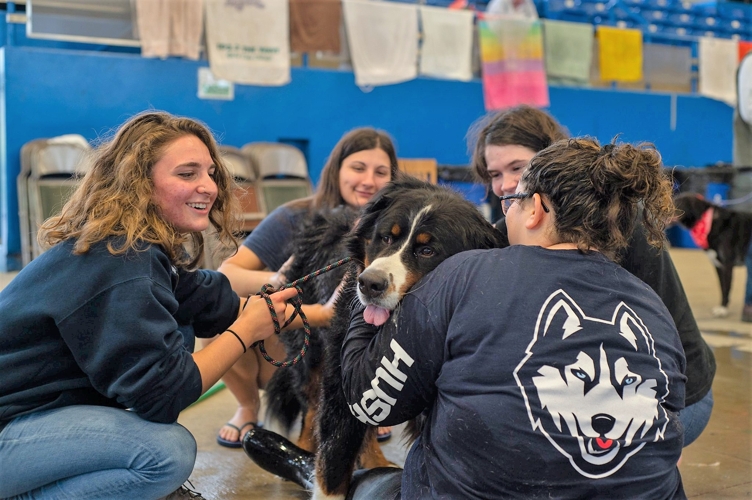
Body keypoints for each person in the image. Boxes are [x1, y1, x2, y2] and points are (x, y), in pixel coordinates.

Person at [341, 137, 687, 498]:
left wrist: (362, 276)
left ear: (535, 209)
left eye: (511, 203)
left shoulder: (463, 275)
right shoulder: (652, 306)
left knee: (371, 484)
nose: (506, 215)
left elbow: (370, 405)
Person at [0, 111, 298, 500]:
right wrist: (247, 330)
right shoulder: (120, 262)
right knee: (164, 453)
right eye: (187, 174)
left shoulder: (134, 245)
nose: (208, 186)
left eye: (210, 172)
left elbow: (203, 297)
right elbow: (164, 394)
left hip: (31, 416)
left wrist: (318, 310)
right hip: (9, 429)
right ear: (139, 184)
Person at [470, 105, 716, 447]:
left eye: (516, 168)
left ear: (552, 161)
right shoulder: (510, 228)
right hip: (597, 391)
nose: (504, 185)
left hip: (676, 397)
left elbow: (646, 366)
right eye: (494, 174)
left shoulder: (615, 224)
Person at [209, 127, 400, 447]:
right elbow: (227, 274)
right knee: (217, 312)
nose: (368, 180)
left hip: (364, 354)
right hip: (296, 352)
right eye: (357, 168)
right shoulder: (295, 216)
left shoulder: (395, 227)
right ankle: (247, 407)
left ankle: (369, 409)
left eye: (381, 172)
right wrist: (281, 281)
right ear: (336, 169)